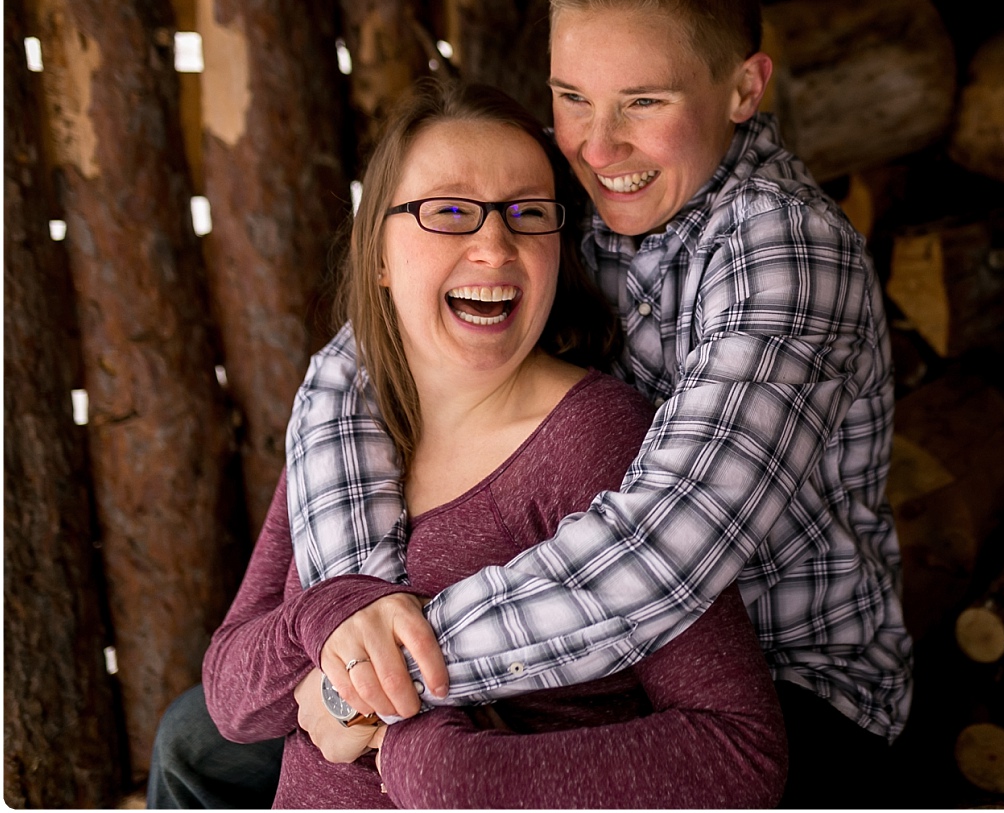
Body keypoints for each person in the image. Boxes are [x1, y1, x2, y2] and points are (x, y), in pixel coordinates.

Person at [149, 0, 910, 808]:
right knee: (200, 740)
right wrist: (349, 612)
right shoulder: (555, 192)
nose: (598, 143)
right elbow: (360, 362)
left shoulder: (786, 253)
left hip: (791, 693)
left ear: (744, 89)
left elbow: (660, 553)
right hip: (563, 648)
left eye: (644, 102)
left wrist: (375, 671)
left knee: (433, 768)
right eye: (573, 96)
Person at [196, 81, 786, 808]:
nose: (494, 244)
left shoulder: (592, 438)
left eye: (527, 213)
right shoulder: (345, 422)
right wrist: (326, 620)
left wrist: (439, 767)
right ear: (378, 251)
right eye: (447, 211)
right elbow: (232, 694)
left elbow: (739, 753)